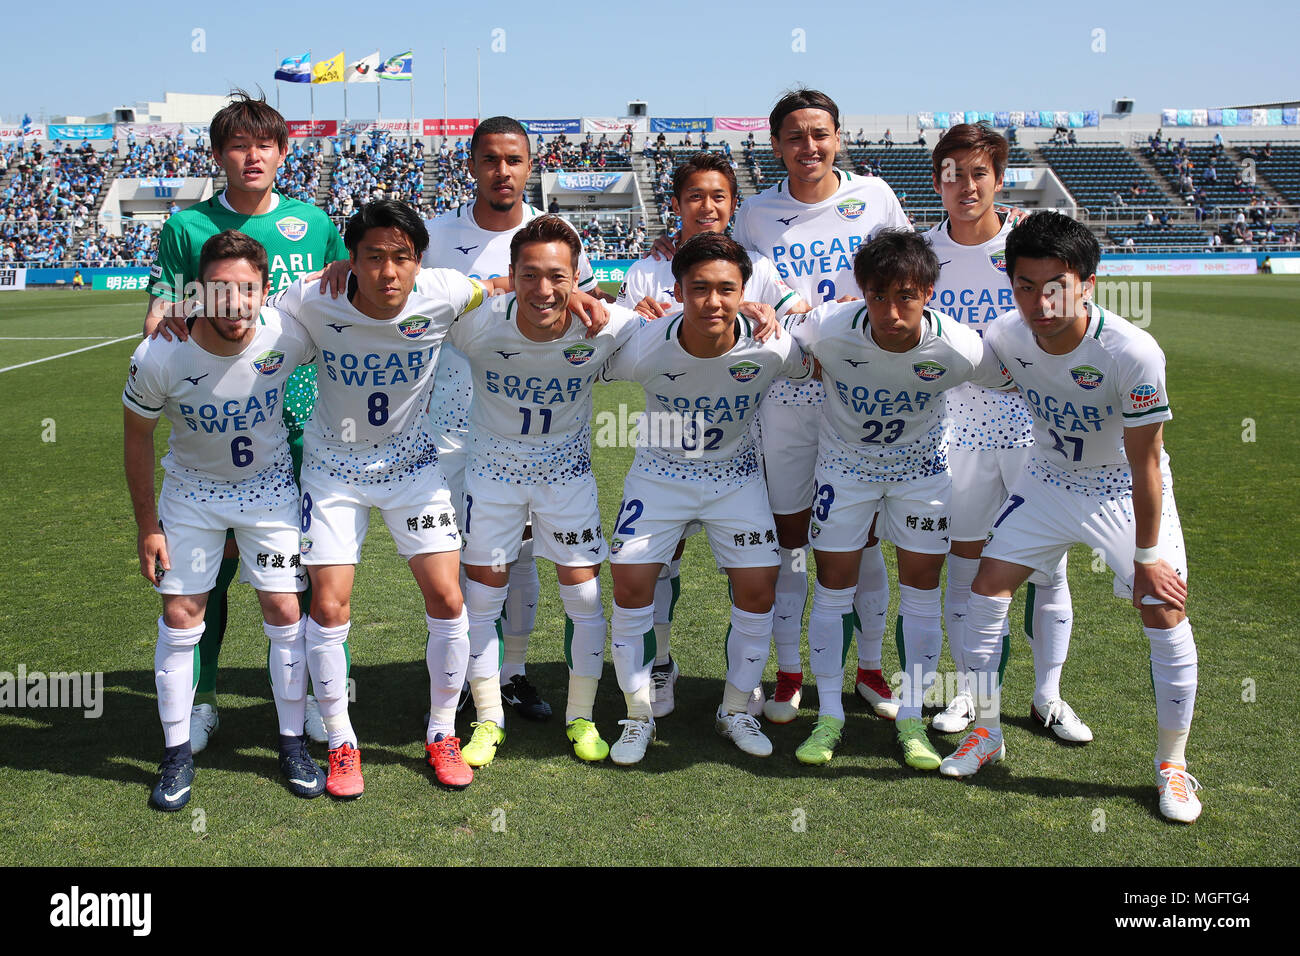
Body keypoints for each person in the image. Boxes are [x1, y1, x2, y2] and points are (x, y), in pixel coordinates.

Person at [943, 211, 1202, 824]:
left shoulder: (1132, 351)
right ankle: (986, 732)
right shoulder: (1006, 334)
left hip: (1121, 489)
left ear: (1087, 282)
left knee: (1163, 607)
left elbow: (1146, 463)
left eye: (1054, 284)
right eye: (1024, 285)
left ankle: (1173, 765)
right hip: (1048, 480)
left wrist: (1145, 559)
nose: (1039, 301)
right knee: (985, 590)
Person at [143, 90, 347, 754]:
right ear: (218, 154)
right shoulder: (187, 229)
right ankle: (199, 700)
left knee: (313, 570)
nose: (252, 156)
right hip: (221, 426)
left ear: (284, 153)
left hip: (306, 423)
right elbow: (163, 308)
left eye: (265, 144)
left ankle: (315, 695)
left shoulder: (314, 223)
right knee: (215, 567)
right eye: (238, 144)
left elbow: (349, 295)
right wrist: (162, 316)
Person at [789, 230, 1010, 766]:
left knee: (921, 594)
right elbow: (781, 337)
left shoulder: (959, 346)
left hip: (922, 475)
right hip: (845, 470)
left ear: (929, 292)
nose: (892, 311)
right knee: (833, 589)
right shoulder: (828, 328)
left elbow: (1016, 378)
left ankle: (911, 716)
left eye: (906, 296)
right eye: (879, 295)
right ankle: (829, 717)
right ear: (861, 291)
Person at [729, 89, 910, 725]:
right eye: (795, 136)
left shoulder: (877, 199)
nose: (809, 147)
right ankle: (787, 674)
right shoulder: (753, 212)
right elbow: (736, 287)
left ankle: (867, 668)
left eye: (820, 134)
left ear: (839, 139)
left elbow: (906, 277)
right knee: (789, 538)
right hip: (783, 394)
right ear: (776, 145)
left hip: (861, 390)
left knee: (859, 539)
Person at [124, 231, 321, 810]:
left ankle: (290, 743)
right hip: (192, 492)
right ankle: (176, 752)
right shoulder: (162, 352)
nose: (234, 304)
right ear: (198, 292)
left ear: (266, 291)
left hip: (269, 491)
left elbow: (358, 312)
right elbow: (137, 439)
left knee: (285, 608)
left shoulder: (289, 332)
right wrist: (147, 526)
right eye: (219, 290)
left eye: (246, 290)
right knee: (183, 612)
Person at [600, 233, 813, 764]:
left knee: (760, 587)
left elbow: (813, 363)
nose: (712, 302)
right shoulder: (646, 342)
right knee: (629, 585)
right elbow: (592, 359)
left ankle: (735, 710)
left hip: (735, 478)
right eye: (699, 289)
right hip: (658, 477)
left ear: (745, 293)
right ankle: (638, 716)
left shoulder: (771, 344)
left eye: (726, 289)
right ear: (677, 289)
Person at [447, 216, 641, 764]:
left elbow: (684, 328)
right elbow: (412, 298)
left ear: (578, 276)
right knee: (482, 602)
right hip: (493, 477)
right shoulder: (478, 324)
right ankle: (488, 718)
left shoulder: (605, 324)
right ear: (510, 275)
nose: (543, 290)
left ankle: (581, 717)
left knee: (583, 598)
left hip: (567, 477)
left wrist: (754, 310)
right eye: (528, 275)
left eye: (557, 276)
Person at [925, 123, 1088, 741]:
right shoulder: (921, 250)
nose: (966, 186)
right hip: (953, 434)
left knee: (1048, 569)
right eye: (953, 174)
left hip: (1033, 433)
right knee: (964, 562)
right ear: (936, 179)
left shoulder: (1031, 245)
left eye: (978, 174)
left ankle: (1048, 695)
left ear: (998, 178)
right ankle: (969, 692)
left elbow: (1074, 319)